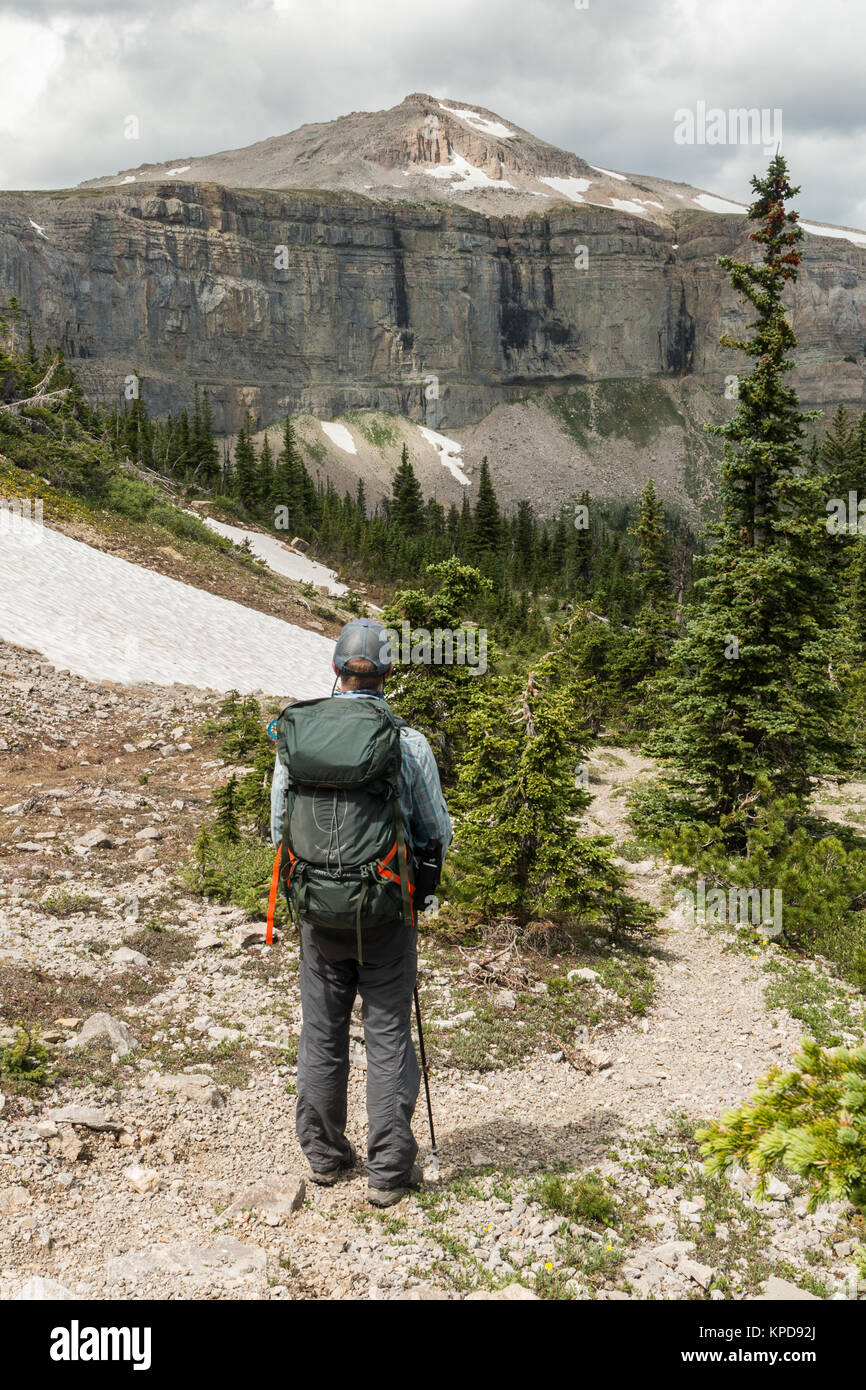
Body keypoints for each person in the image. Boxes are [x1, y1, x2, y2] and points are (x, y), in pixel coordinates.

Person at [270, 618, 451, 1206]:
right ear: (388, 674)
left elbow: (279, 825)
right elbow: (435, 830)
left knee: (322, 1031)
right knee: (388, 1030)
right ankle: (389, 1170)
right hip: (385, 910)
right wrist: (422, 885)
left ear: (336, 671)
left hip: (317, 911)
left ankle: (324, 1157)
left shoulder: (297, 735)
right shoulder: (407, 741)